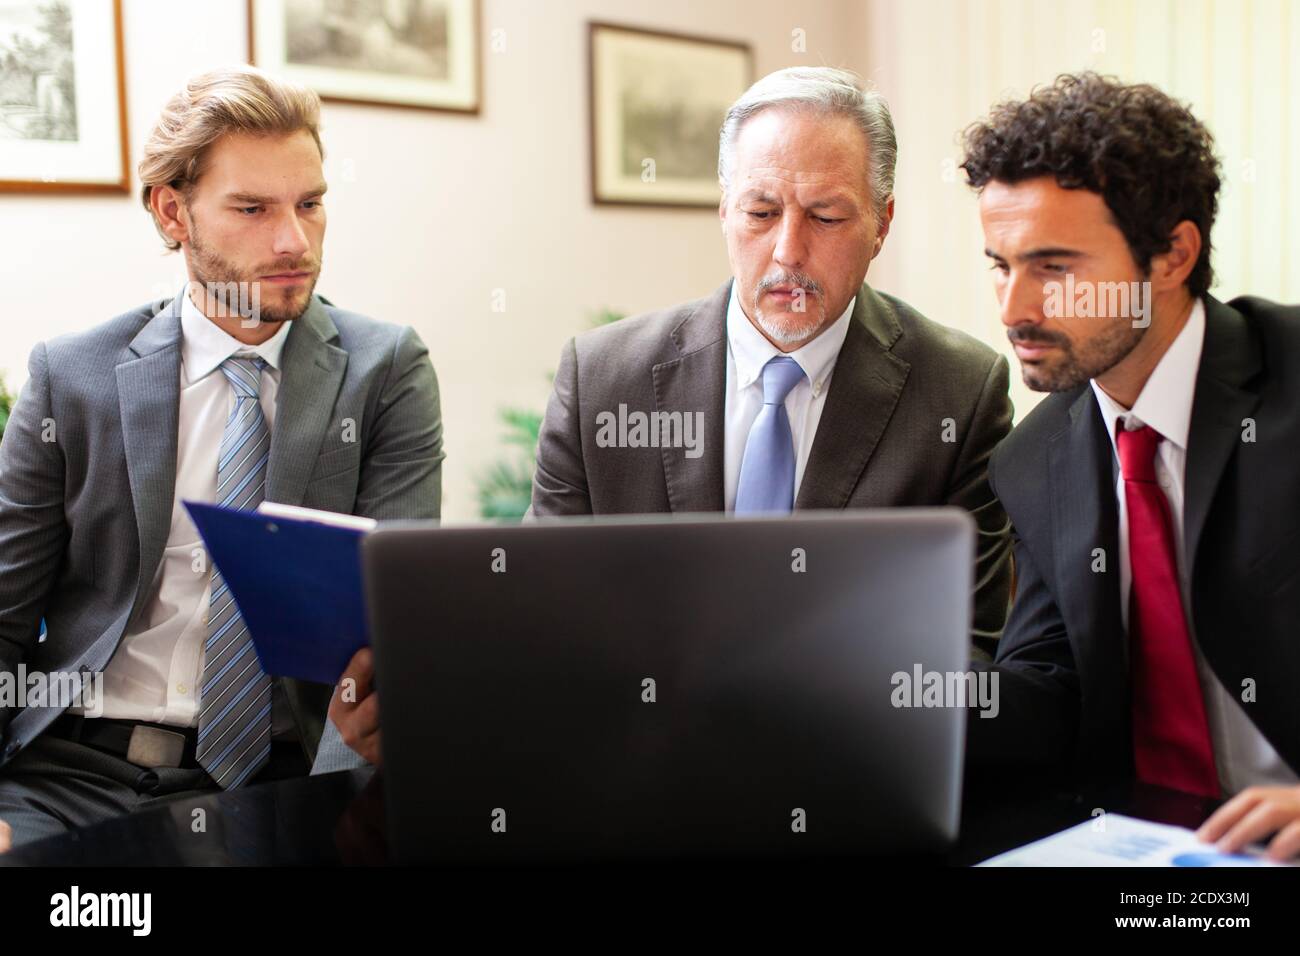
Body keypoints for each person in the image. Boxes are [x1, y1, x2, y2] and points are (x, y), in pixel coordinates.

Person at [0, 66, 443, 848]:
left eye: (310, 204)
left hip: (289, 773)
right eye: (251, 209)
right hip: (74, 771)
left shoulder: (386, 372)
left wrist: (341, 804)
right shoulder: (72, 376)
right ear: (174, 212)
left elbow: (393, 633)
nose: (293, 240)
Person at [533, 67, 1014, 654]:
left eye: (827, 217)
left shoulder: (960, 393)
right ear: (724, 212)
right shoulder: (603, 379)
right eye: (760, 213)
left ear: (881, 224)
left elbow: (963, 654)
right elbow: (548, 618)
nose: (789, 250)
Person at [963, 72, 1300, 860]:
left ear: (1173, 255)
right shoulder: (1034, 456)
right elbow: (1049, 688)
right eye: (1000, 264)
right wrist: (889, 696)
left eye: (1054, 267)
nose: (1014, 308)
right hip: (1149, 856)